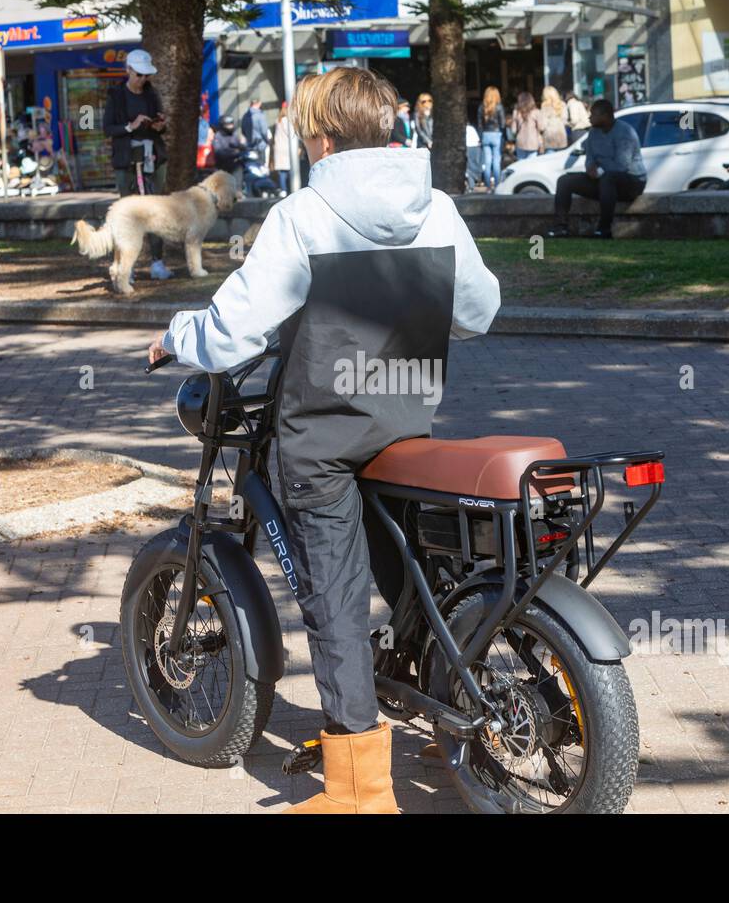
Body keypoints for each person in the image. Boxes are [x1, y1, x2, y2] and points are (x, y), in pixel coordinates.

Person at [148, 66, 501, 814]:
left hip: (324, 438)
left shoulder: (303, 214)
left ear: (323, 136)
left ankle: (359, 793)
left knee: (334, 599)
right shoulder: (435, 207)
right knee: (415, 581)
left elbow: (236, 327)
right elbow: (478, 312)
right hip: (407, 423)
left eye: (307, 129)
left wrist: (178, 335)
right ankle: (446, 722)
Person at [103, 49, 168, 278]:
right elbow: (107, 128)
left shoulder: (151, 94)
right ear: (128, 70)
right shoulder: (116, 95)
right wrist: (131, 126)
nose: (143, 79)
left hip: (153, 157)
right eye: (139, 74)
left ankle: (157, 262)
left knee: (157, 210)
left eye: (146, 75)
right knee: (127, 211)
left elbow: (162, 122)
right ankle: (125, 265)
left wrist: (159, 125)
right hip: (126, 160)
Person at [549, 99, 646, 239]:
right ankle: (561, 227)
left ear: (605, 116)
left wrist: (599, 170)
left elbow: (622, 165)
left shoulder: (625, 132)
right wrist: (590, 168)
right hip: (603, 179)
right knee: (565, 181)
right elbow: (590, 158)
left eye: (593, 114)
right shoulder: (593, 133)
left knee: (608, 178)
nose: (589, 117)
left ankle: (604, 229)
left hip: (632, 182)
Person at [476, 86, 505, 189]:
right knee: (496, 161)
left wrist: (480, 137)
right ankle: (497, 186)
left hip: (485, 135)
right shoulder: (499, 107)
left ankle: (488, 186)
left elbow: (479, 125)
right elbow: (502, 124)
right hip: (496, 134)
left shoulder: (482, 107)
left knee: (487, 162)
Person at [213, 115, 247, 192]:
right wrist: (233, 152)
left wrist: (243, 146)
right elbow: (218, 151)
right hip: (223, 165)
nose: (230, 126)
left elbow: (238, 145)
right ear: (222, 125)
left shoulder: (234, 134)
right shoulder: (218, 136)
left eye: (231, 124)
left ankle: (239, 191)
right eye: (228, 125)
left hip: (235, 163)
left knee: (240, 167)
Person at [271, 100, 299, 194]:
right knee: (290, 170)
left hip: (279, 149)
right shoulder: (287, 121)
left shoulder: (278, 120)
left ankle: (283, 190)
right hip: (287, 149)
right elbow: (291, 135)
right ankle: (291, 189)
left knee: (282, 171)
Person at [509, 91, 545, 160]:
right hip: (533, 143)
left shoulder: (516, 112)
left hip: (520, 143)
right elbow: (541, 128)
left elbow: (513, 130)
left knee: (521, 166)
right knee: (531, 165)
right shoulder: (536, 112)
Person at [540, 86, 569, 153]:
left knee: (550, 160)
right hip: (561, 135)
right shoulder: (562, 104)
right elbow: (565, 120)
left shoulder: (544, 106)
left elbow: (543, 124)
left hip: (549, 136)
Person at [464, 121, 482, 191]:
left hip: (467, 147)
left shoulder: (464, 129)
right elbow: (478, 140)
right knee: (474, 164)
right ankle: (476, 179)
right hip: (475, 147)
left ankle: (472, 184)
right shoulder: (472, 128)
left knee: (468, 167)